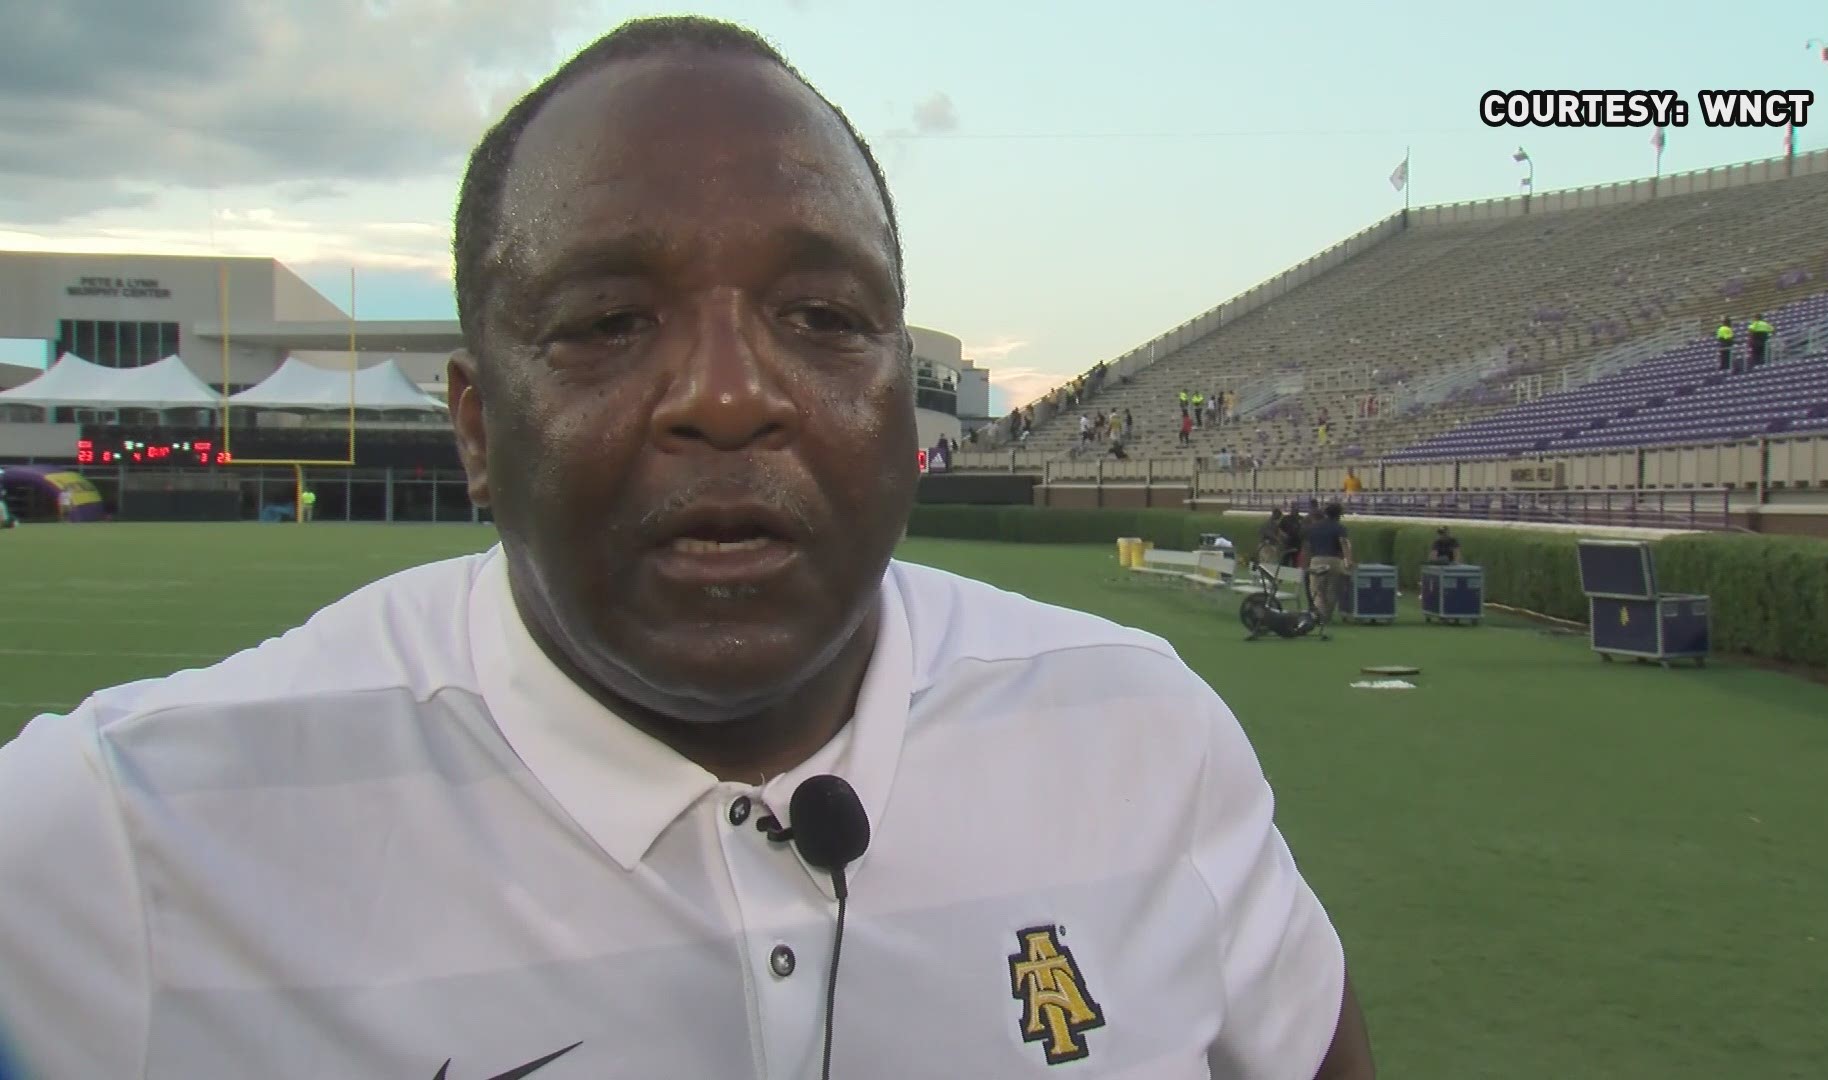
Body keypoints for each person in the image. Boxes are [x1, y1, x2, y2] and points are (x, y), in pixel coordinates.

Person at [0, 17, 1372, 1080]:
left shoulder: (1139, 734)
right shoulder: (120, 839)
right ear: (477, 427)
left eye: (825, 316)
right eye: (607, 323)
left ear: (907, 393)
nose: (729, 394)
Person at [1304, 503, 1354, 621]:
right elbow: (1343, 543)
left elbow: (1307, 546)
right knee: (1332, 590)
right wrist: (1348, 560)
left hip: (1316, 560)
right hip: (1334, 560)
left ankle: (1319, 614)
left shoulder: (1313, 527)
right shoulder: (1339, 527)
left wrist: (1306, 562)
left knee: (1317, 590)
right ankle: (1327, 615)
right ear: (1339, 515)